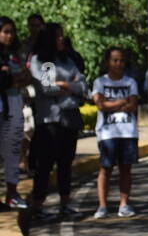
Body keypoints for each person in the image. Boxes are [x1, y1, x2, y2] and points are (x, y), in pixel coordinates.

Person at [27, 23, 87, 221]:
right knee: (45, 164)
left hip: (68, 117)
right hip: (49, 119)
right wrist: (67, 86)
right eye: (58, 37)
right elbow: (46, 88)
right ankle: (39, 205)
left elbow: (82, 84)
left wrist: (64, 85)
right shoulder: (43, 61)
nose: (61, 40)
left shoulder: (67, 59)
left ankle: (65, 203)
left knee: (66, 163)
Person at [91, 47, 140, 218]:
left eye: (122, 61)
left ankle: (124, 204)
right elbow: (100, 105)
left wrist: (111, 103)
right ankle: (102, 206)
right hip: (107, 133)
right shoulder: (100, 82)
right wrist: (122, 101)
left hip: (128, 132)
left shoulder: (131, 82)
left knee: (126, 169)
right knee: (106, 168)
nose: (119, 64)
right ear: (107, 63)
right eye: (115, 60)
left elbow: (133, 105)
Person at [0, 17, 30, 210]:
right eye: (5, 31)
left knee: (13, 151)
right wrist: (11, 79)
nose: (9, 35)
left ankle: (12, 193)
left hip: (14, 103)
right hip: (3, 103)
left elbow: (26, 78)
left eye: (11, 31)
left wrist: (11, 78)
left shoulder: (15, 55)